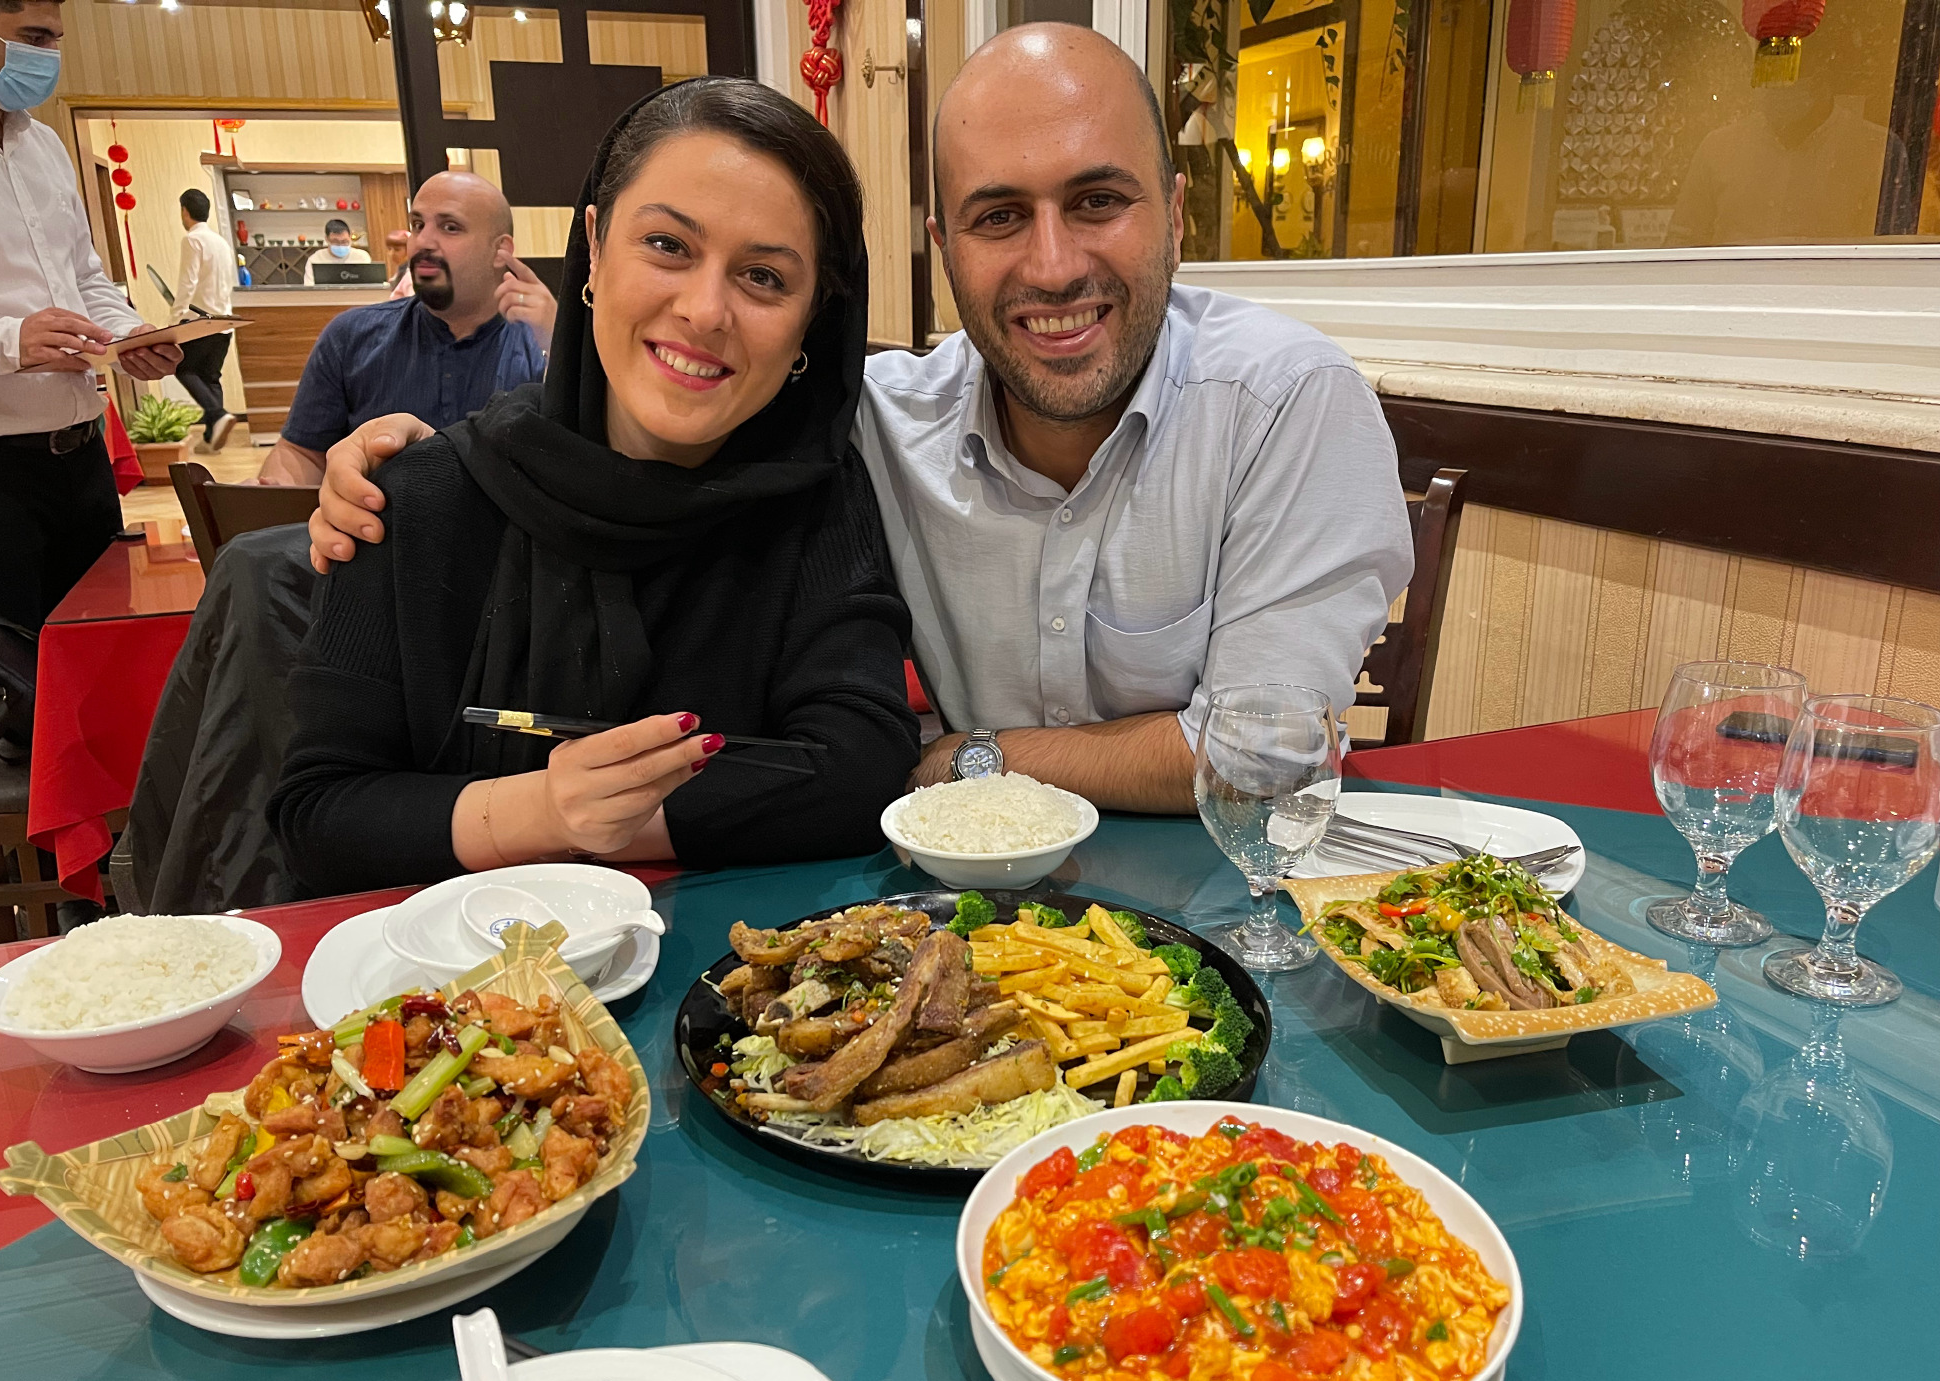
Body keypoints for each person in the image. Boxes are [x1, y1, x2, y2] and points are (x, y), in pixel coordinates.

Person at [306, 24, 1412, 814]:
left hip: (1232, 907)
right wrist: (444, 467)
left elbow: (1259, 757)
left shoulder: (1285, 403)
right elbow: (676, 408)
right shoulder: (873, 424)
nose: (1051, 264)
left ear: (1172, 213)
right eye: (998, 217)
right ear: (943, 247)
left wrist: (964, 757)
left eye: (1097, 201)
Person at [267, 78, 920, 895]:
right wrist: (545, 811)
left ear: (811, 320)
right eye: (668, 245)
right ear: (595, 245)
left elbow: (860, 766)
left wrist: (609, 813)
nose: (705, 310)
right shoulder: (419, 498)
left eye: (762, 277)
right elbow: (320, 818)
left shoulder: (816, 498)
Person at [0, 0, 182, 629]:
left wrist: (129, 336)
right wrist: (10, 341)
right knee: (10, 660)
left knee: (98, 641)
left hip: (81, 450)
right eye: (34, 37)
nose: (48, 57)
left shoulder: (42, 144)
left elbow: (84, 278)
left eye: (55, 39)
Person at [256, 171, 558, 486]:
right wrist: (275, 489)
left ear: (500, 251)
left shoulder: (542, 345)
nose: (423, 242)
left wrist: (559, 346)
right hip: (376, 516)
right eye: (418, 225)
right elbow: (303, 453)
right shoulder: (350, 338)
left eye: (450, 227)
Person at [172, 186, 237, 451]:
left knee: (183, 369)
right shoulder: (221, 242)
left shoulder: (192, 240)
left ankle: (218, 415)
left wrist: (176, 316)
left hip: (201, 321)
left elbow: (187, 282)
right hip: (224, 319)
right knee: (211, 376)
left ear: (184, 212)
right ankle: (212, 440)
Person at [302, 217, 370, 285]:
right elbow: (309, 287)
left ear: (350, 237)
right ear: (327, 239)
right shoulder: (315, 259)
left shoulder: (362, 257)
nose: (340, 245)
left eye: (344, 241)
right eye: (335, 242)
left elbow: (369, 285)